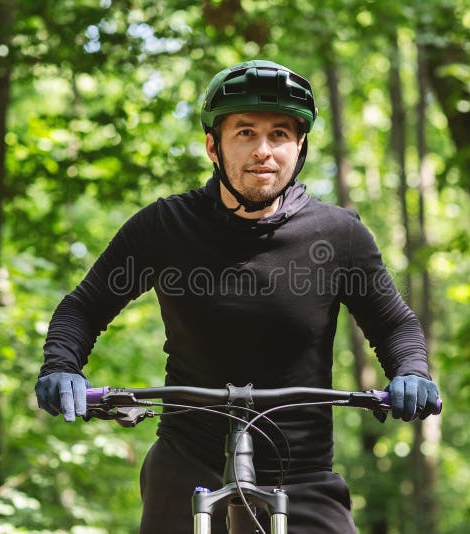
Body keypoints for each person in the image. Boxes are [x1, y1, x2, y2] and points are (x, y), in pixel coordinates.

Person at [35, 59, 441, 533]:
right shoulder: (166, 227)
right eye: (245, 132)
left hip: (301, 469)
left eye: (280, 135)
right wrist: (62, 366)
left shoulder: (338, 235)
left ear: (300, 146)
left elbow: (394, 324)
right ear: (213, 145)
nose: (263, 151)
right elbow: (84, 307)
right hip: (188, 457)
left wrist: (411, 372)